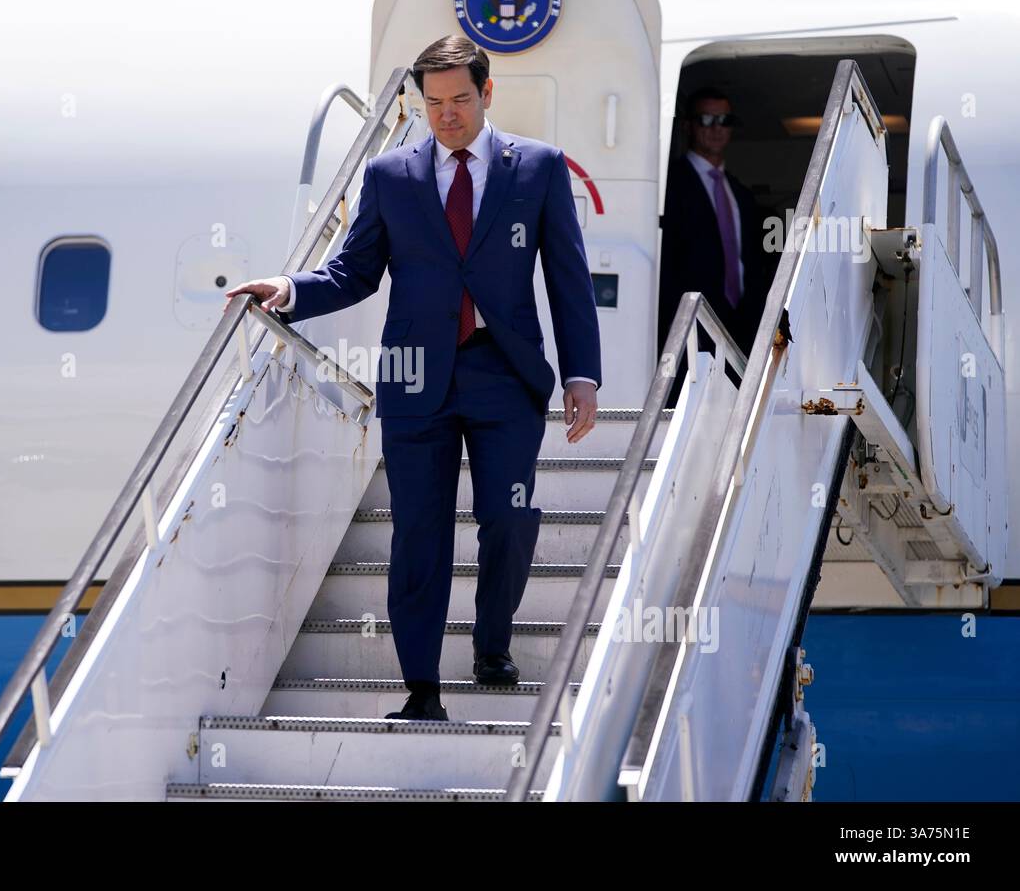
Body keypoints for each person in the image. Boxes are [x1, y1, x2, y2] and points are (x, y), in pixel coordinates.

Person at [225, 35, 602, 721]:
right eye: (433, 103)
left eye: (460, 100)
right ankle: (422, 689)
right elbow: (354, 272)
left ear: (487, 94)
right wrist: (289, 287)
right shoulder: (389, 175)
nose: (447, 115)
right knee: (419, 532)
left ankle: (492, 643)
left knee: (508, 516)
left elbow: (567, 277)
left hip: (504, 374)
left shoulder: (538, 168)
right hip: (415, 379)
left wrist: (582, 375)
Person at [657, 87, 775, 390]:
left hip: (741, 331)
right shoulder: (668, 186)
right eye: (706, 119)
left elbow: (750, 263)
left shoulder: (741, 195)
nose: (716, 128)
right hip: (686, 329)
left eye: (724, 120)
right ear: (688, 126)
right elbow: (667, 263)